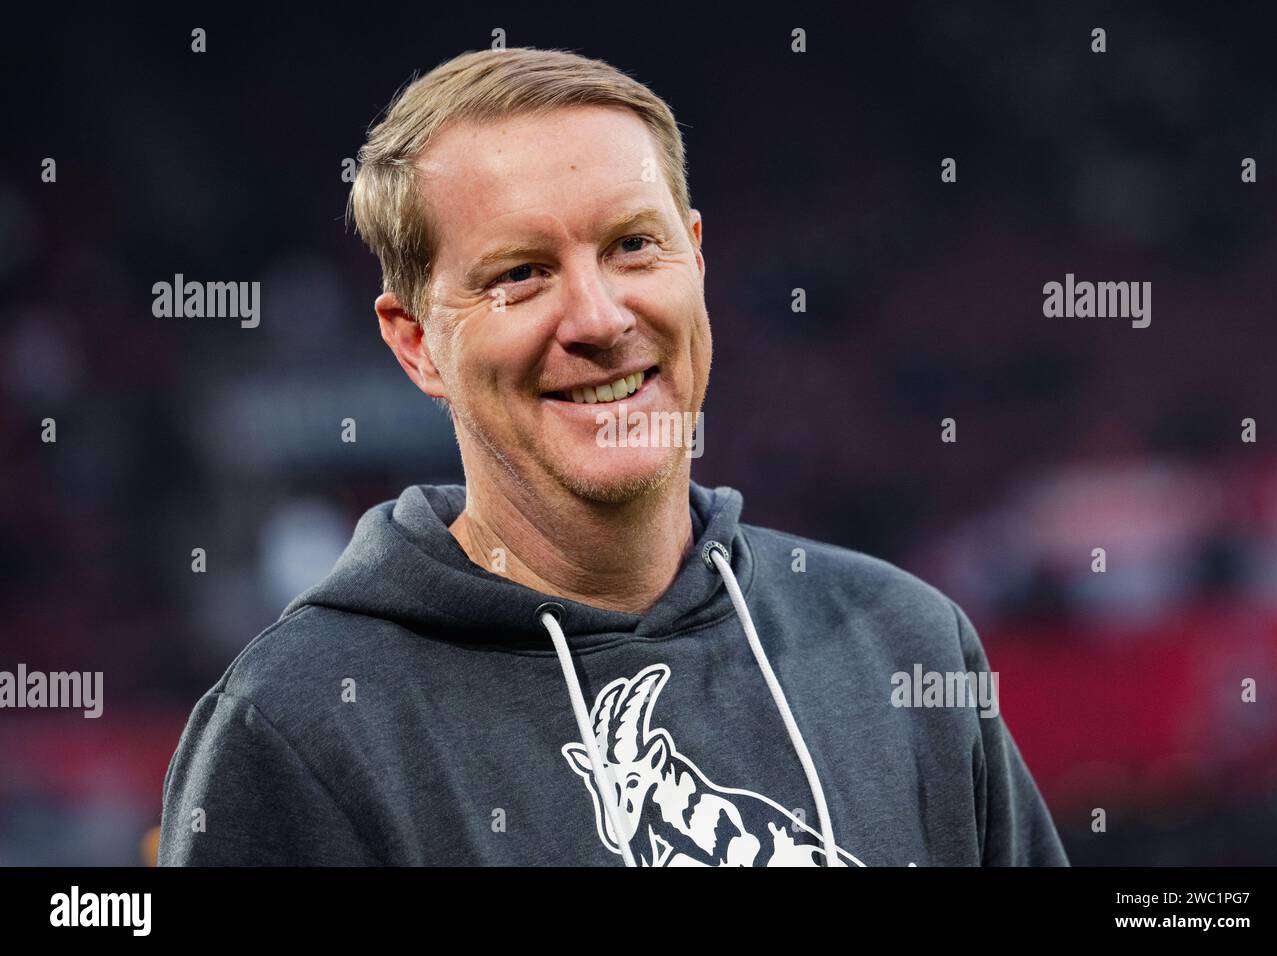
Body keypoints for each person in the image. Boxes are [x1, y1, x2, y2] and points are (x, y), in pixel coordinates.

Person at [158, 46, 1068, 867]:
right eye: (520, 273)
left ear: (696, 261)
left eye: (634, 246)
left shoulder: (905, 641)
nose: (598, 319)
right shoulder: (298, 731)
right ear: (416, 345)